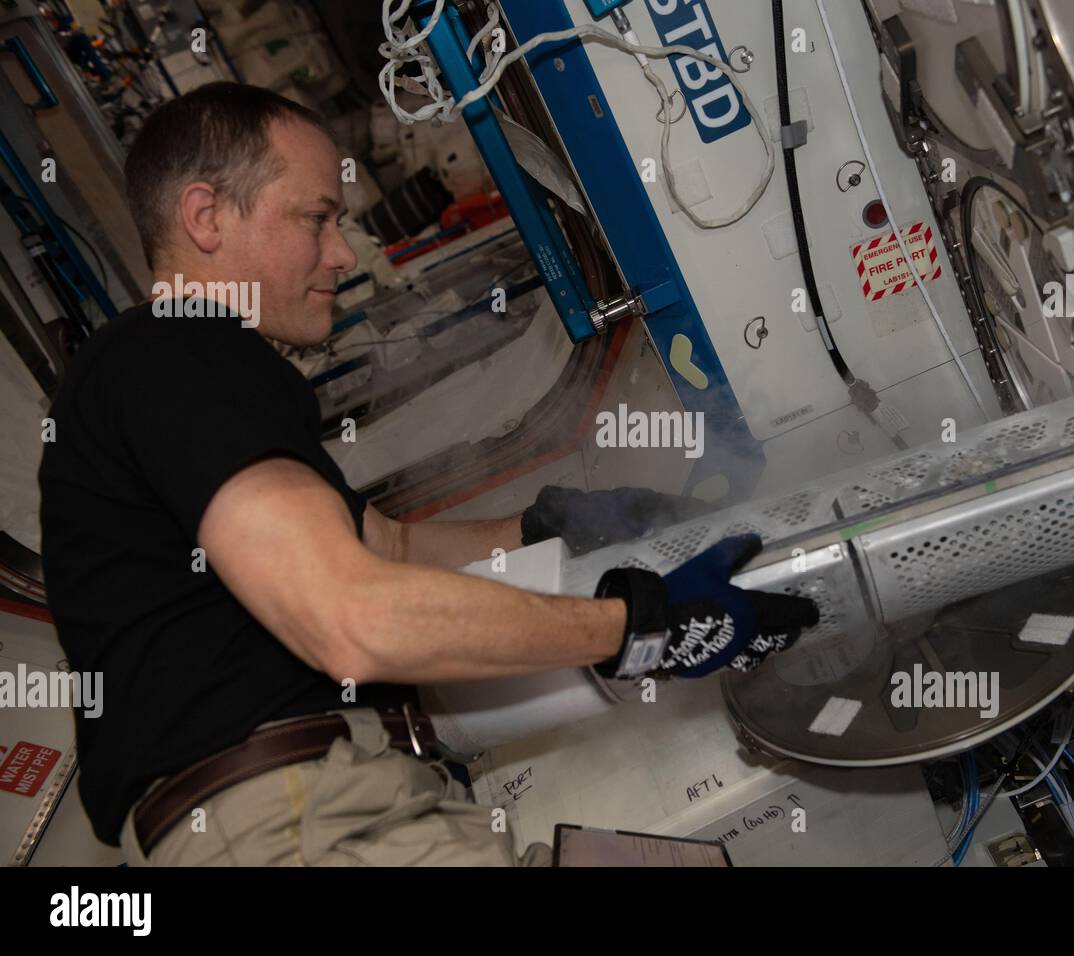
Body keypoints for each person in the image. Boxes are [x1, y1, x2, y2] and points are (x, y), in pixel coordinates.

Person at [37, 82, 819, 867]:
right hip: (294, 824)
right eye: (317, 218)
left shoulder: (177, 379)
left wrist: (557, 522)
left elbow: (387, 550)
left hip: (320, 812)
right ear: (206, 217)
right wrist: (642, 625)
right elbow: (354, 617)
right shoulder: (175, 353)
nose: (343, 254)